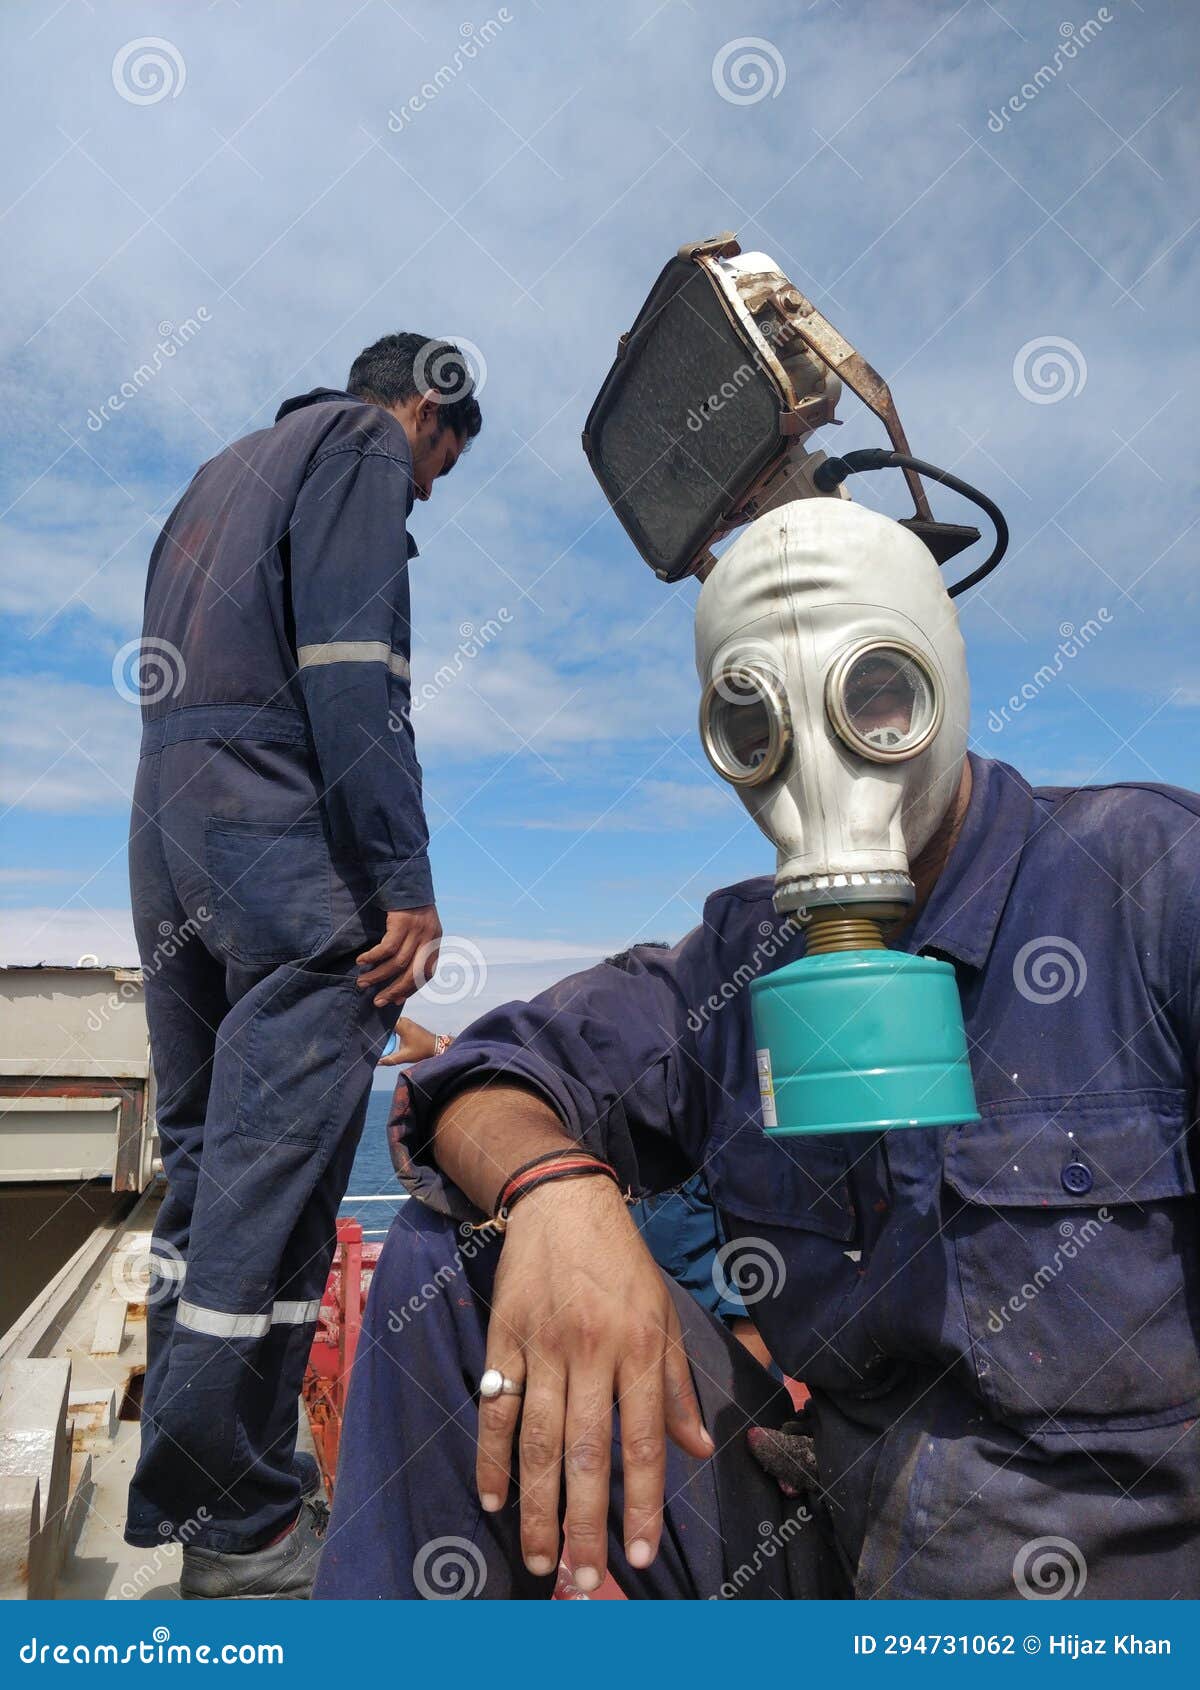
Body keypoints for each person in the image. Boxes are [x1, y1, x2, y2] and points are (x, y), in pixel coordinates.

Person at [315, 498, 1200, 1601]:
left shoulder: (1149, 884)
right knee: (460, 1251)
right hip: (830, 1545)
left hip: (1116, 1595)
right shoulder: (737, 962)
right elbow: (485, 1075)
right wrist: (559, 1196)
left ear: (945, 682)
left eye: (877, 696)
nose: (820, 766)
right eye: (758, 725)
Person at [124, 333, 482, 1600]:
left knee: (210, 1158)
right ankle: (245, 1524)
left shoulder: (220, 472)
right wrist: (403, 878)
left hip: (170, 830)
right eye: (440, 464)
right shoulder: (363, 445)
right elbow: (352, 672)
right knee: (270, 1193)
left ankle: (199, 1488)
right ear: (429, 411)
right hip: (280, 831)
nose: (425, 490)